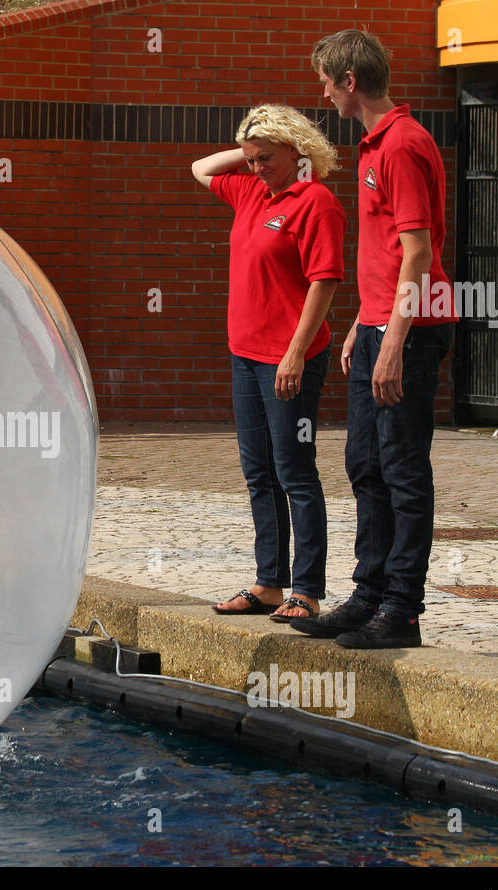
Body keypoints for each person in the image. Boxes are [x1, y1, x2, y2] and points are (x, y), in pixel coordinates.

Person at [293, 29, 459, 648]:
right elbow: (388, 254)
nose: (324, 92)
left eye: (326, 82)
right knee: (364, 462)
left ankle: (402, 609)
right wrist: (364, 321)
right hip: (379, 324)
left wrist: (391, 339)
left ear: (349, 82)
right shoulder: (371, 145)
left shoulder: (402, 146)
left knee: (402, 468)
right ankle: (369, 592)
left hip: (408, 331)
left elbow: (418, 253)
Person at [191, 105, 345, 622]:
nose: (256, 167)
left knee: (294, 471)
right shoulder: (250, 191)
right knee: (258, 471)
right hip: (244, 355)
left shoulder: (316, 202)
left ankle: (308, 590)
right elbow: (201, 168)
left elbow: (323, 282)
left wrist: (295, 353)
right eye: (252, 159)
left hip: (289, 360)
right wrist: (251, 141)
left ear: (296, 150)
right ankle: (269, 583)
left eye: (266, 158)